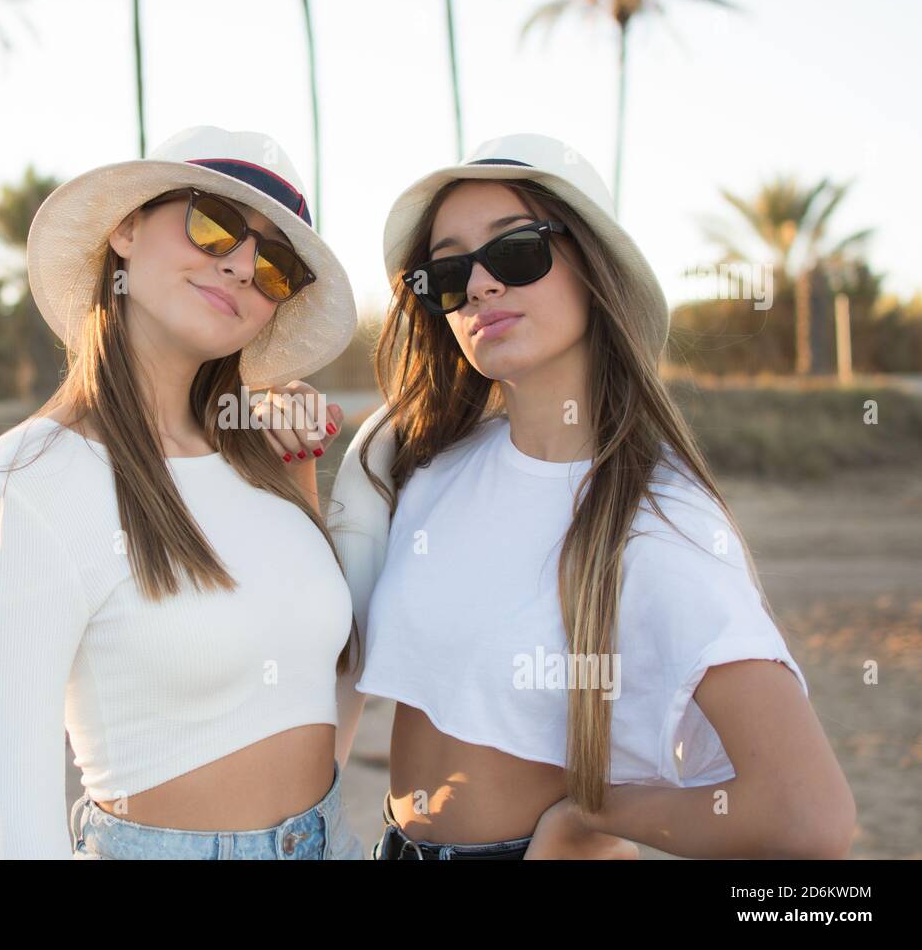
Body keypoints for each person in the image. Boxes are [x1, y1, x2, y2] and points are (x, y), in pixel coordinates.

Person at [328, 133, 856, 860]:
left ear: (593, 267)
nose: (480, 285)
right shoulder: (428, 469)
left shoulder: (656, 519)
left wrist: (592, 817)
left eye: (515, 252)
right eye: (448, 271)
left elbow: (807, 817)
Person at [0, 125, 367, 859]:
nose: (243, 266)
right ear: (126, 229)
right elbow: (17, 817)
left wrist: (297, 466)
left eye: (277, 265)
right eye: (214, 226)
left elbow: (313, 671)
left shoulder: (263, 458)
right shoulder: (34, 476)